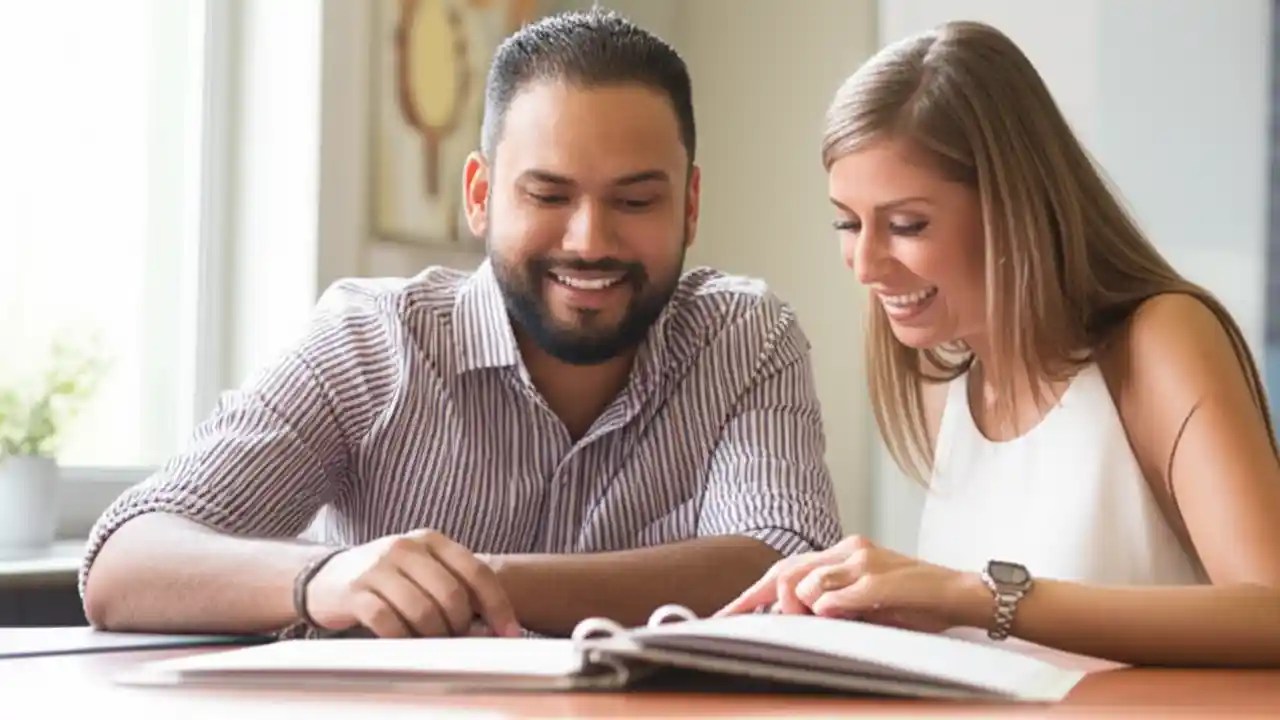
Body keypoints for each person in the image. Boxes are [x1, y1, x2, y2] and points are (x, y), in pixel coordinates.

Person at [81, 9, 842, 640]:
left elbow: (779, 563)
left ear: (690, 205)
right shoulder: (370, 340)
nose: (590, 241)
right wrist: (328, 578)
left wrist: (471, 580)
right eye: (547, 196)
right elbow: (125, 563)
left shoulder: (747, 334)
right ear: (479, 194)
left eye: (636, 201)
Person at [719, 20, 1280, 666]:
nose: (865, 263)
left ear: (1013, 204)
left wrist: (975, 595)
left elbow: (1270, 610)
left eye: (906, 224)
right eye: (847, 223)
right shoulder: (943, 381)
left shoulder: (1158, 341)